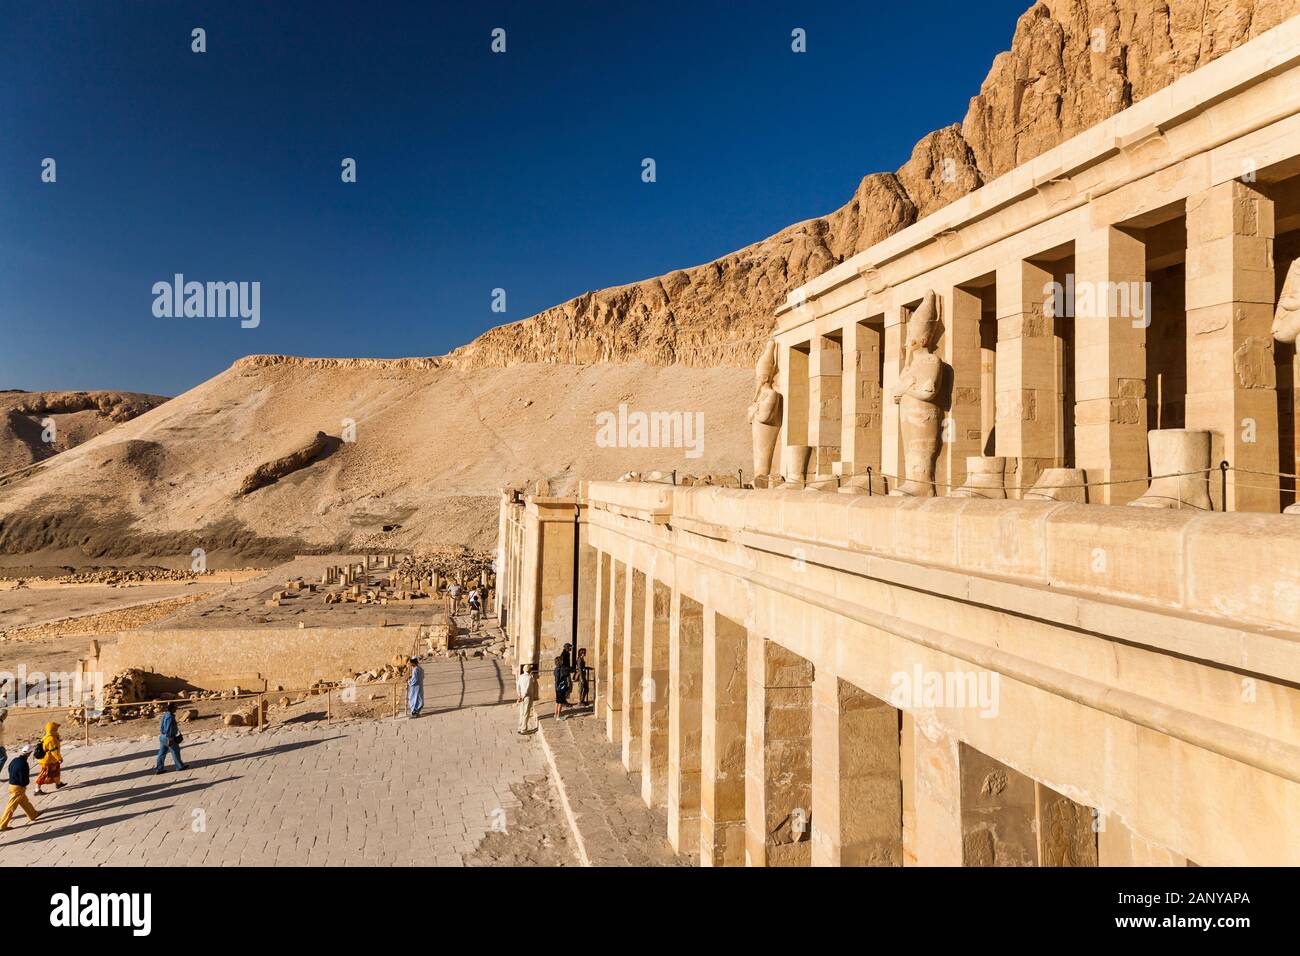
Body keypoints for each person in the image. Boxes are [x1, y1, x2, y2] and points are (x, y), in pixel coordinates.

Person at [0, 744, 40, 832]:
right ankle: (2, 825)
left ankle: (33, 814)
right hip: (18, 788)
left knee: (24, 801)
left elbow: (9, 769)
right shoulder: (24, 764)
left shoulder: (14, 760)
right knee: (11, 807)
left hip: (11, 785)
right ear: (29, 754)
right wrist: (24, 784)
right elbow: (24, 779)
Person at [155, 702, 186, 774]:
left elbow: (162, 726)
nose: (176, 709)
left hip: (162, 737)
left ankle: (159, 768)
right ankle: (179, 766)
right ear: (172, 709)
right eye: (175, 708)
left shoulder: (165, 715)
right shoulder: (170, 717)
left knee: (162, 753)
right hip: (169, 737)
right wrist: (170, 738)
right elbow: (169, 728)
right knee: (175, 751)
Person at [34, 721, 63, 794]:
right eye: (56, 728)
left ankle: (58, 783)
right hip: (48, 760)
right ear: (53, 729)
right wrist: (59, 758)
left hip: (52, 760)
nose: (57, 729)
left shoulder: (48, 736)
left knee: (56, 771)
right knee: (44, 774)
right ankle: (37, 789)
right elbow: (53, 751)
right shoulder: (51, 739)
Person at [515, 664, 536, 735]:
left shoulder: (520, 676)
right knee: (526, 713)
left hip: (521, 696)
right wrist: (523, 697)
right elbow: (527, 688)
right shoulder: (529, 677)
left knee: (521, 712)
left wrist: (519, 696)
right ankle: (523, 729)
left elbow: (518, 686)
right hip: (527, 697)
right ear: (529, 670)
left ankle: (519, 727)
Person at [553, 654, 571, 721]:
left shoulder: (555, 669)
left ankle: (555, 714)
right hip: (561, 687)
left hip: (557, 687)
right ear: (560, 661)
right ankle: (558, 716)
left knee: (557, 701)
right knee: (560, 702)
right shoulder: (563, 669)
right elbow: (567, 675)